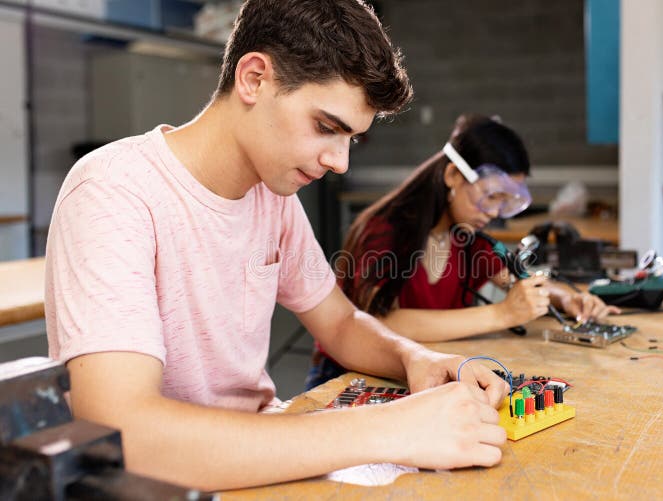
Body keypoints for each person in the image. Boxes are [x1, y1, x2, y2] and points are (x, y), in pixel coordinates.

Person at [44, 0, 509, 492]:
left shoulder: (273, 192)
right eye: (327, 128)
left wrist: (417, 359)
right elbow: (125, 435)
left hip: (264, 459)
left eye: (352, 138)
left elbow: (340, 322)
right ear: (254, 79)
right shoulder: (113, 191)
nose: (340, 162)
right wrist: (392, 428)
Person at [307, 114, 620, 388]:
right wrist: (502, 313)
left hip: (424, 370)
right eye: (492, 196)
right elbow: (382, 325)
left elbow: (512, 278)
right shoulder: (384, 232)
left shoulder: (467, 236)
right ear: (453, 176)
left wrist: (564, 298)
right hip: (349, 378)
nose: (494, 212)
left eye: (505, 202)